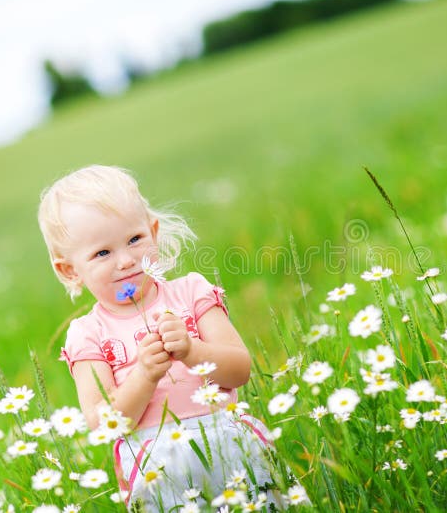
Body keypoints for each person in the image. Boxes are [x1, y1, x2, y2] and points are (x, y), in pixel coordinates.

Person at [38, 165, 286, 511]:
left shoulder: (191, 293)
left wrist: (192, 351)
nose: (126, 260)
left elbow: (240, 370)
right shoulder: (87, 333)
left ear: (153, 231)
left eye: (134, 239)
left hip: (231, 448)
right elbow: (102, 424)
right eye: (102, 253)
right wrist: (144, 375)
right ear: (69, 269)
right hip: (157, 470)